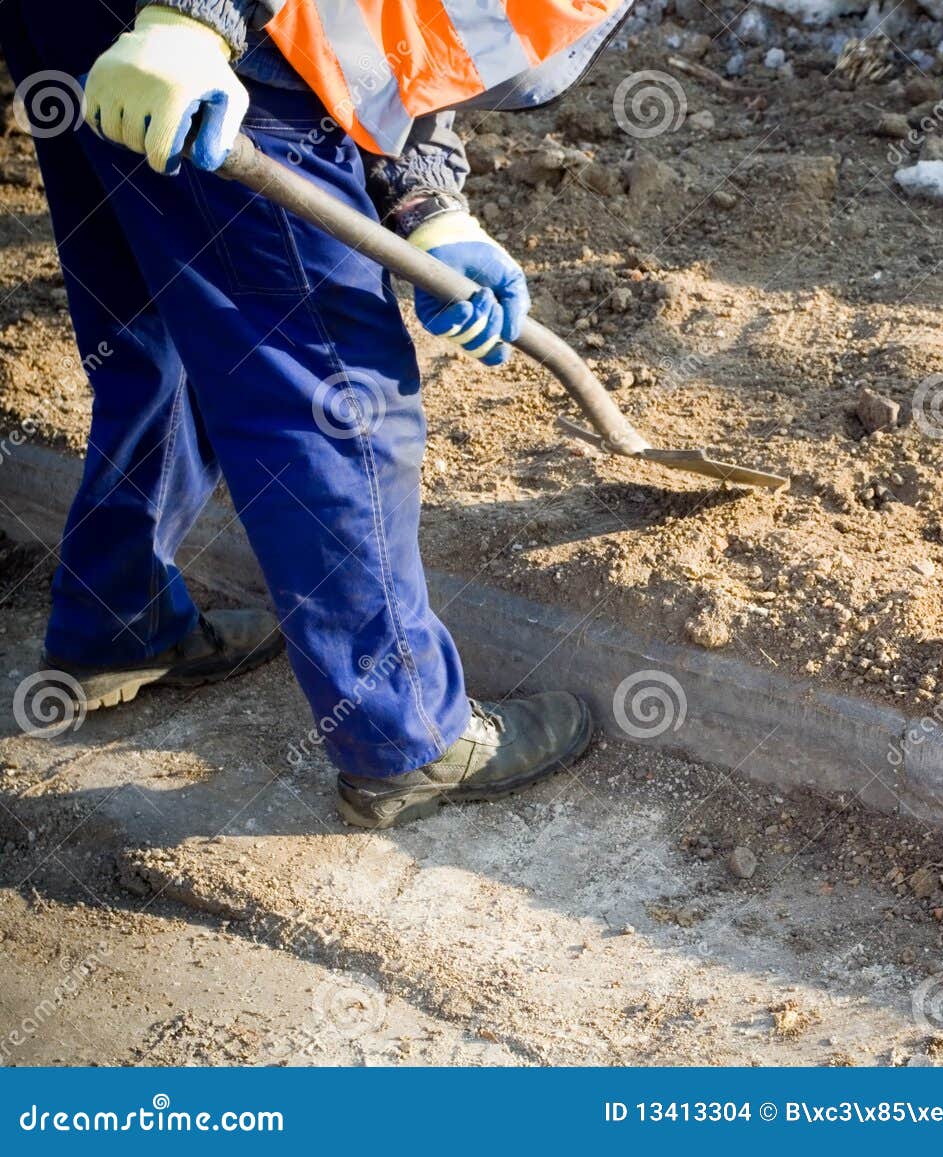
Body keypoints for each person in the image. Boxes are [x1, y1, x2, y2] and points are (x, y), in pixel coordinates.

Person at [0, 0, 632, 828]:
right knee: (336, 391)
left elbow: (400, 28)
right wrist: (199, 17)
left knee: (167, 314)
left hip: (94, 26)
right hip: (215, 39)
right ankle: (406, 736)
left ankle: (118, 613)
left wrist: (431, 206)